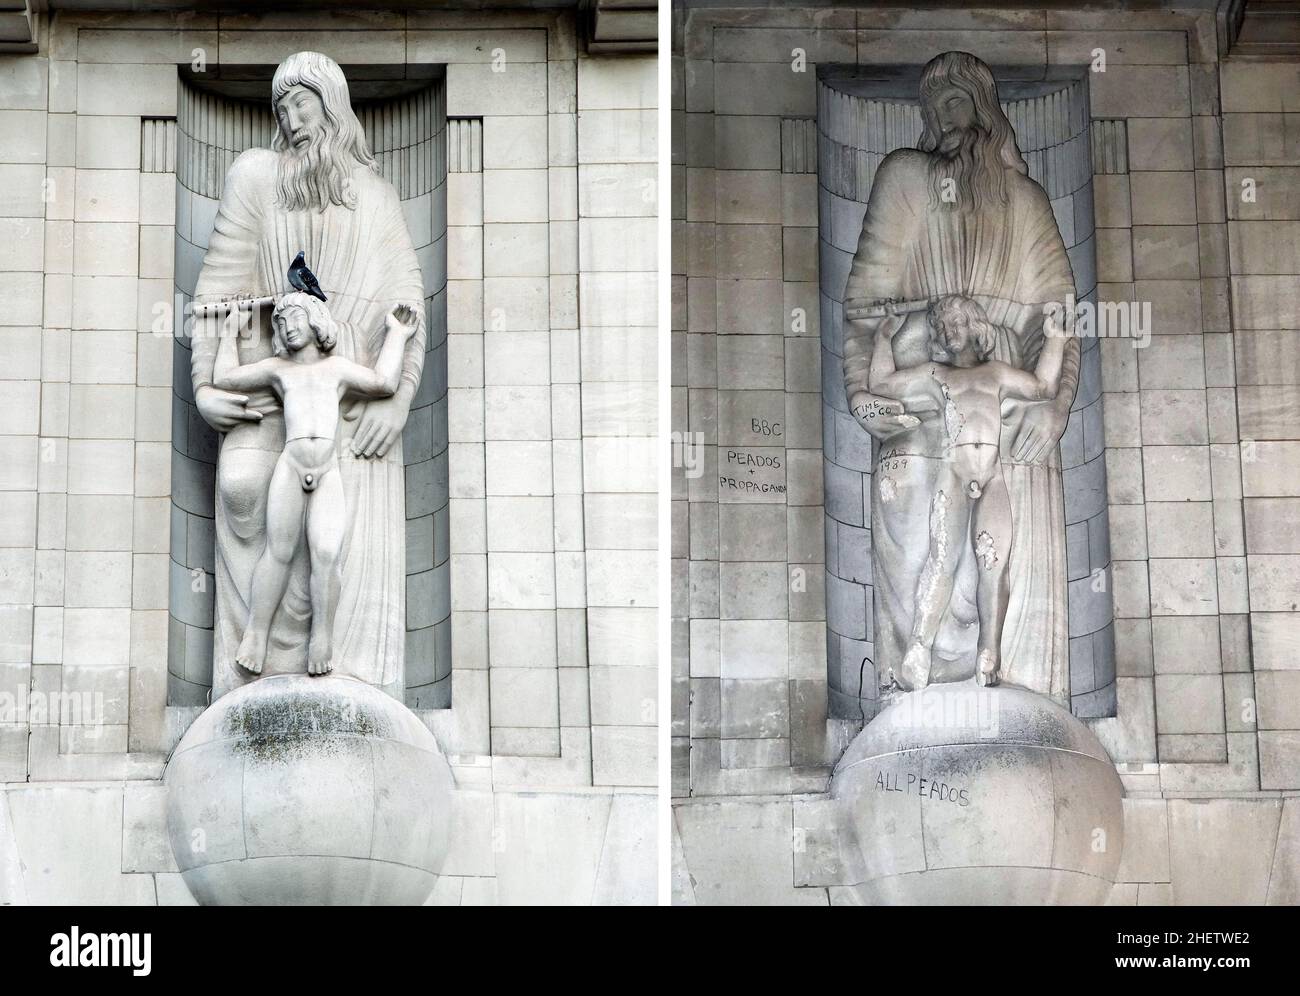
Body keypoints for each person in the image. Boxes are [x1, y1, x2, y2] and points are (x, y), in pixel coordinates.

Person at [841, 51, 1080, 702]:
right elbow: (864, 306)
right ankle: (915, 682)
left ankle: (1009, 685)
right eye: (935, 105)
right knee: (928, 549)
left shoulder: (1025, 201)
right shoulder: (905, 179)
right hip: (918, 383)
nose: (948, 116)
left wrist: (1053, 407)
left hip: (1004, 400)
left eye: (959, 101)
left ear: (987, 110)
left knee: (1000, 556)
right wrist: (862, 391)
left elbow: (1057, 316)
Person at [190, 51, 426, 695]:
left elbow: (408, 301)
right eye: (282, 108)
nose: (292, 119)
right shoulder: (255, 177)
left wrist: (398, 399)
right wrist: (205, 386)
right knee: (242, 489)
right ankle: (250, 666)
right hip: (273, 393)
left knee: (332, 548)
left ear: (333, 104)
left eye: (303, 103)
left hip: (348, 400)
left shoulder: (376, 198)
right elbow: (216, 295)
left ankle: (347, 675)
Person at [855, 295, 1069, 691]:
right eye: (943, 326)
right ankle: (919, 646)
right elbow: (880, 384)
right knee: (942, 558)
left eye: (956, 322)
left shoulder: (997, 373)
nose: (949, 331)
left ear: (975, 325)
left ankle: (989, 653)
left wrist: (1055, 338)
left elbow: (1043, 386)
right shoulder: (938, 374)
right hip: (953, 474)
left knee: (994, 567)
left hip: (992, 477)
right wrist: (884, 338)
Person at [212, 294, 418, 676]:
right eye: (281, 322)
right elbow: (223, 379)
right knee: (278, 551)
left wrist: (397, 335)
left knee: (326, 554)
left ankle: (321, 637)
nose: (287, 326)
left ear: (317, 321)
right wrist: (229, 332)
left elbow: (384, 382)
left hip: (327, 470)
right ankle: (256, 634)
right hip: (290, 466)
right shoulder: (278, 370)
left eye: (295, 318)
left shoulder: (337, 369)